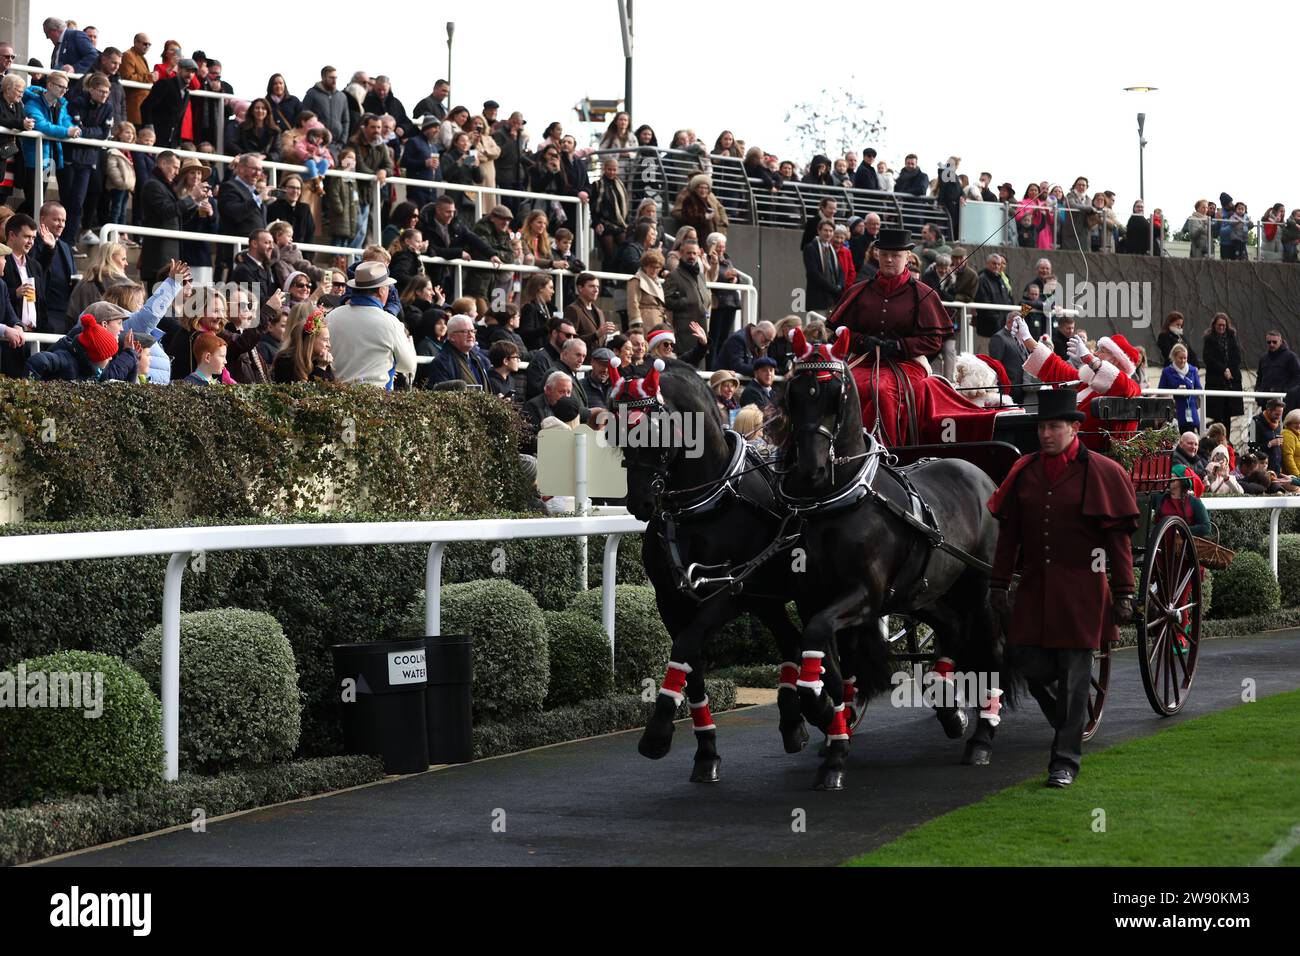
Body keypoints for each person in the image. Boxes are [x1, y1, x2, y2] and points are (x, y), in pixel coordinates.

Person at [988, 387, 1137, 787]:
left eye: (1054, 426)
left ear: (1074, 428)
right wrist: (999, 581)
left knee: (1074, 675)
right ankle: (1068, 719)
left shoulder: (1102, 471)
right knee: (1024, 662)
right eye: (1041, 427)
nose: (1045, 434)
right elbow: (1009, 536)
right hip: (1036, 588)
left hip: (1083, 592)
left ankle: (1064, 761)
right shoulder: (1024, 471)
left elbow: (1118, 540)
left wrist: (1124, 591)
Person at [327, 261, 417, 388]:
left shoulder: (332, 316)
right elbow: (408, 365)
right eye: (388, 287)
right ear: (381, 290)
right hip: (375, 400)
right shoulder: (390, 322)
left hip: (335, 398)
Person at [663, 241, 710, 363]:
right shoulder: (674, 275)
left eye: (694, 253)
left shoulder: (700, 275)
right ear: (681, 254)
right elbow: (666, 300)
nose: (692, 256)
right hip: (684, 335)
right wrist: (686, 301)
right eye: (689, 253)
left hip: (702, 332)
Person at [427, 313, 491, 388]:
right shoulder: (442, 363)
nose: (471, 335)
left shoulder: (478, 358)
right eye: (465, 331)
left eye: (473, 331)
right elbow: (442, 397)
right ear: (451, 336)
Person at [564, 273, 617, 352]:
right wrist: (596, 335)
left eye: (597, 287)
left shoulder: (599, 311)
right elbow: (569, 340)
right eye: (592, 286)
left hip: (598, 359)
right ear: (580, 288)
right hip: (582, 360)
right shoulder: (573, 309)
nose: (596, 290)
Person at [803, 219, 843, 314]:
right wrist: (833, 288)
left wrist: (840, 285)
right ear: (819, 231)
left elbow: (840, 271)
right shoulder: (810, 248)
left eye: (831, 231)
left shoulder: (831, 249)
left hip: (832, 299)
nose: (828, 233)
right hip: (818, 299)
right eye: (825, 230)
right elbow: (813, 273)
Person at [1160, 343, 1202, 433]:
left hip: (1190, 409)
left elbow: (1199, 389)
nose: (1183, 360)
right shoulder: (1167, 371)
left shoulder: (1193, 370)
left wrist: (1191, 393)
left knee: (1190, 435)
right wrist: (1175, 392)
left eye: (1185, 358)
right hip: (1175, 409)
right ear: (1174, 357)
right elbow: (1161, 390)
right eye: (1180, 358)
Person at [1257, 332, 1300, 411]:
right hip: (1266, 402)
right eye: (1269, 342)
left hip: (1284, 402)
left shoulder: (1291, 357)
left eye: (1274, 342)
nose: (1271, 344)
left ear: (1280, 341)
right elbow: (1259, 378)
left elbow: (1297, 377)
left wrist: (1286, 392)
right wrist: (1259, 395)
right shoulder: (1263, 359)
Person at [626, 250, 667, 331]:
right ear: (645, 266)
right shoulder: (636, 280)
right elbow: (633, 303)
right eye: (651, 266)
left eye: (657, 267)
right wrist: (637, 325)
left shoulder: (657, 282)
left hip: (659, 322)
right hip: (645, 322)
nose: (654, 270)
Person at [1251, 398, 1286, 474]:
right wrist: (1269, 444)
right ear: (1269, 410)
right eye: (1276, 414)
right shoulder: (1254, 422)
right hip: (1263, 468)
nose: (1279, 417)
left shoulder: (1279, 423)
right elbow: (1252, 447)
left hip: (1277, 467)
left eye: (1280, 414)